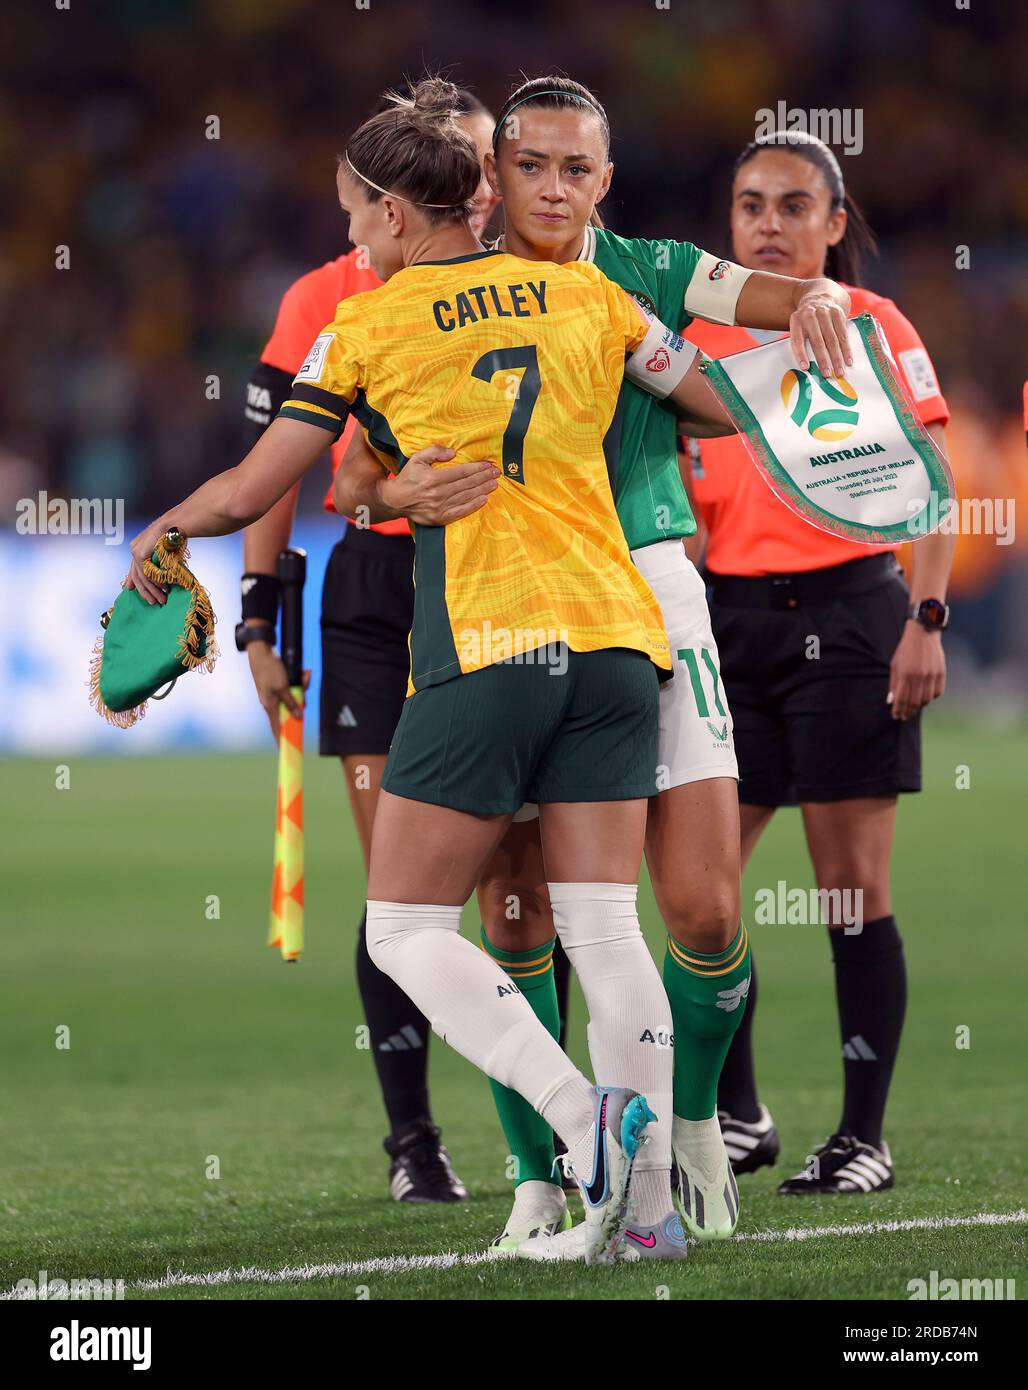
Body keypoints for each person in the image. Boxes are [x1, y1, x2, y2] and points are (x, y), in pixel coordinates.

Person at [127, 77, 739, 1264]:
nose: (352, 237)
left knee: (405, 926)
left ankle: (581, 1123)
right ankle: (651, 1207)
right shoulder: (585, 290)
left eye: (359, 214)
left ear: (402, 215)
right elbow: (715, 407)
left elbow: (257, 488)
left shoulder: (369, 324)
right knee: (606, 928)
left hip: (489, 642)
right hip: (619, 639)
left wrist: (162, 533)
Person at [335, 75, 856, 1255]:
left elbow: (755, 305)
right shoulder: (427, 290)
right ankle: (544, 1178)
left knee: (703, 905)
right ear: (493, 175)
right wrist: (385, 496)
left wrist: (816, 297)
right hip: (501, 607)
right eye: (532, 166)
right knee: (516, 908)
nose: (555, 188)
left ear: (604, 179)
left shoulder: (650, 271)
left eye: (578, 169)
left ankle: (685, 1136)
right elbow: (350, 476)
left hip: (652, 596)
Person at [236, 89, 500, 1204]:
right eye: (474, 162)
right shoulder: (323, 296)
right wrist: (258, 611)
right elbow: (276, 466)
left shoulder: (528, 279)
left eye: (495, 162)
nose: (488, 185)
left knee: (515, 886)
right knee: (400, 890)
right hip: (375, 591)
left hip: (497, 576)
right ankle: (414, 1142)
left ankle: (542, 1128)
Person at [682, 131, 955, 1194]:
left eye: (793, 205)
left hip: (848, 623)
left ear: (833, 225)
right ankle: (739, 1117)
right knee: (702, 896)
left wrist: (922, 619)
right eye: (749, 203)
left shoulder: (876, 326)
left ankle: (861, 1136)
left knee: (847, 894)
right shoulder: (692, 335)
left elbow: (934, 482)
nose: (766, 222)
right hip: (725, 628)